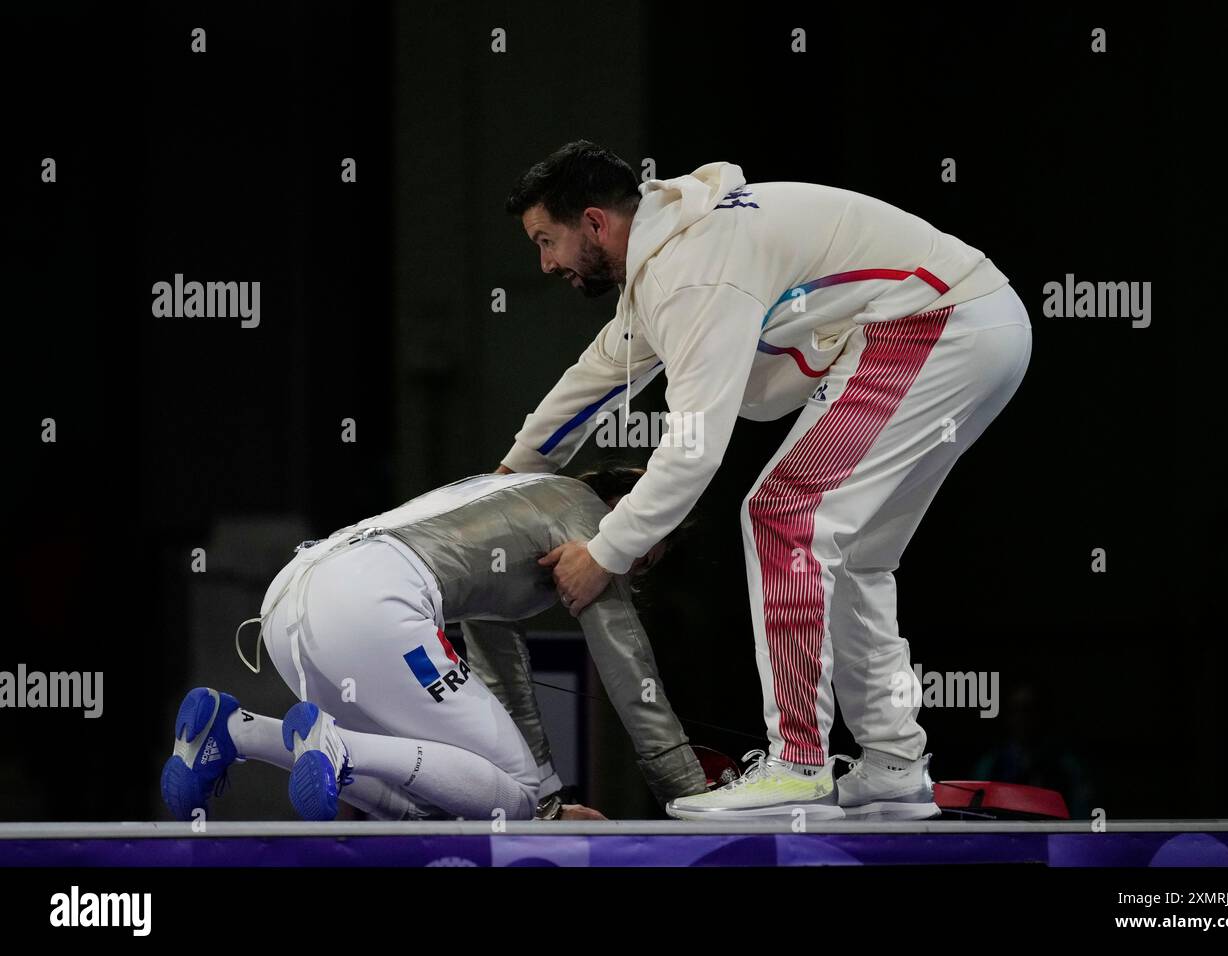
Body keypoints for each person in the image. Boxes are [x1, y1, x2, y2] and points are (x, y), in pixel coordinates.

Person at [499, 141, 1032, 820]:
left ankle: (798, 765)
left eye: (548, 241)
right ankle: (894, 763)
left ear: (596, 222)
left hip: (936, 322)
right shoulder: (675, 252)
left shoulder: (693, 274)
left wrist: (605, 553)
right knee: (857, 554)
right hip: (967, 321)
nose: (545, 263)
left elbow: (693, 447)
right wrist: (511, 474)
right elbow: (596, 378)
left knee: (784, 514)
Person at [160, 469, 708, 823]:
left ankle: (232, 731)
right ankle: (338, 747)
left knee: (423, 803)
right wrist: (689, 795)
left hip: (288, 601)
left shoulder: (526, 500)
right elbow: (626, 661)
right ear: (628, 506)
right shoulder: (587, 515)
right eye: (642, 551)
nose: (631, 571)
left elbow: (503, 669)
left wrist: (549, 804)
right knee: (509, 800)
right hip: (368, 598)